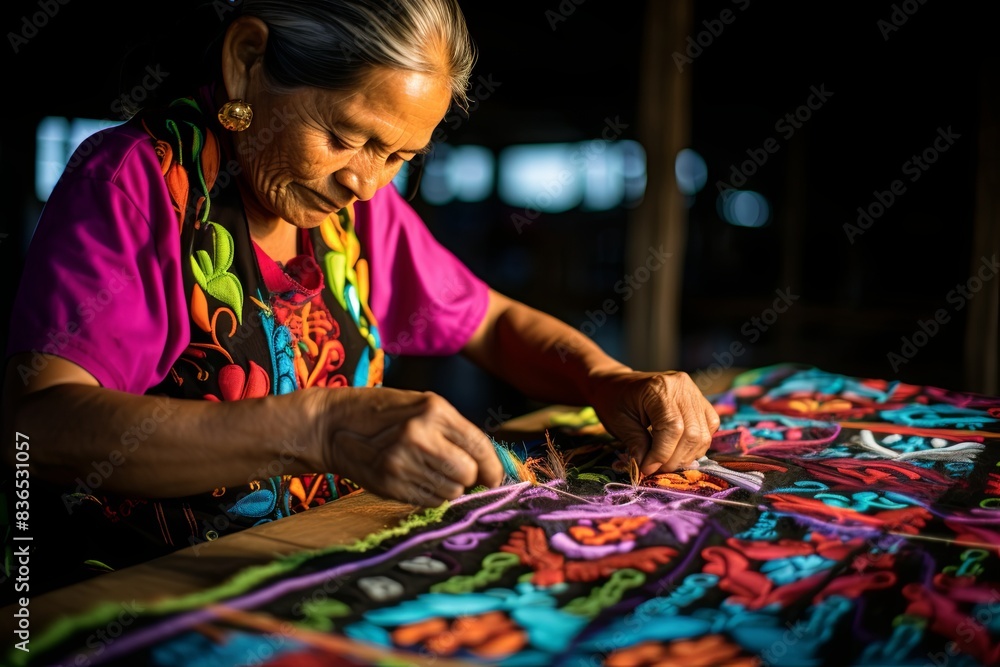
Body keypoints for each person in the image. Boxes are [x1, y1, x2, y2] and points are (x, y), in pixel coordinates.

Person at [2, 0, 719, 587]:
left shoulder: (355, 210)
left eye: (399, 157)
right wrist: (316, 429)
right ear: (247, 62)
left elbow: (491, 323)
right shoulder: (137, 183)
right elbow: (38, 427)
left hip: (308, 573)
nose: (367, 180)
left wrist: (603, 377)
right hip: (143, 596)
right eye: (347, 136)